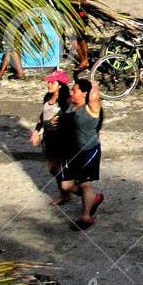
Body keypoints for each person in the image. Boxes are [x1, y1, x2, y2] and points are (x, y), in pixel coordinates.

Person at [59, 76, 104, 227]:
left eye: (75, 90)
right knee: (66, 186)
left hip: (89, 150)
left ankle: (86, 217)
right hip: (72, 150)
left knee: (85, 184)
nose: (72, 92)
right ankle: (93, 198)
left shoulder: (92, 107)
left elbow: (94, 95)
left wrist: (93, 84)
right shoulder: (70, 105)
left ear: (85, 94)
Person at [32, 71, 73, 181]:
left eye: (52, 82)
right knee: (53, 167)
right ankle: (65, 193)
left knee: (58, 167)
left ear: (60, 85)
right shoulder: (47, 97)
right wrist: (37, 131)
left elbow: (71, 118)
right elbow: (43, 114)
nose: (48, 85)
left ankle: (79, 191)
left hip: (60, 138)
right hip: (48, 136)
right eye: (48, 82)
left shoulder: (66, 100)